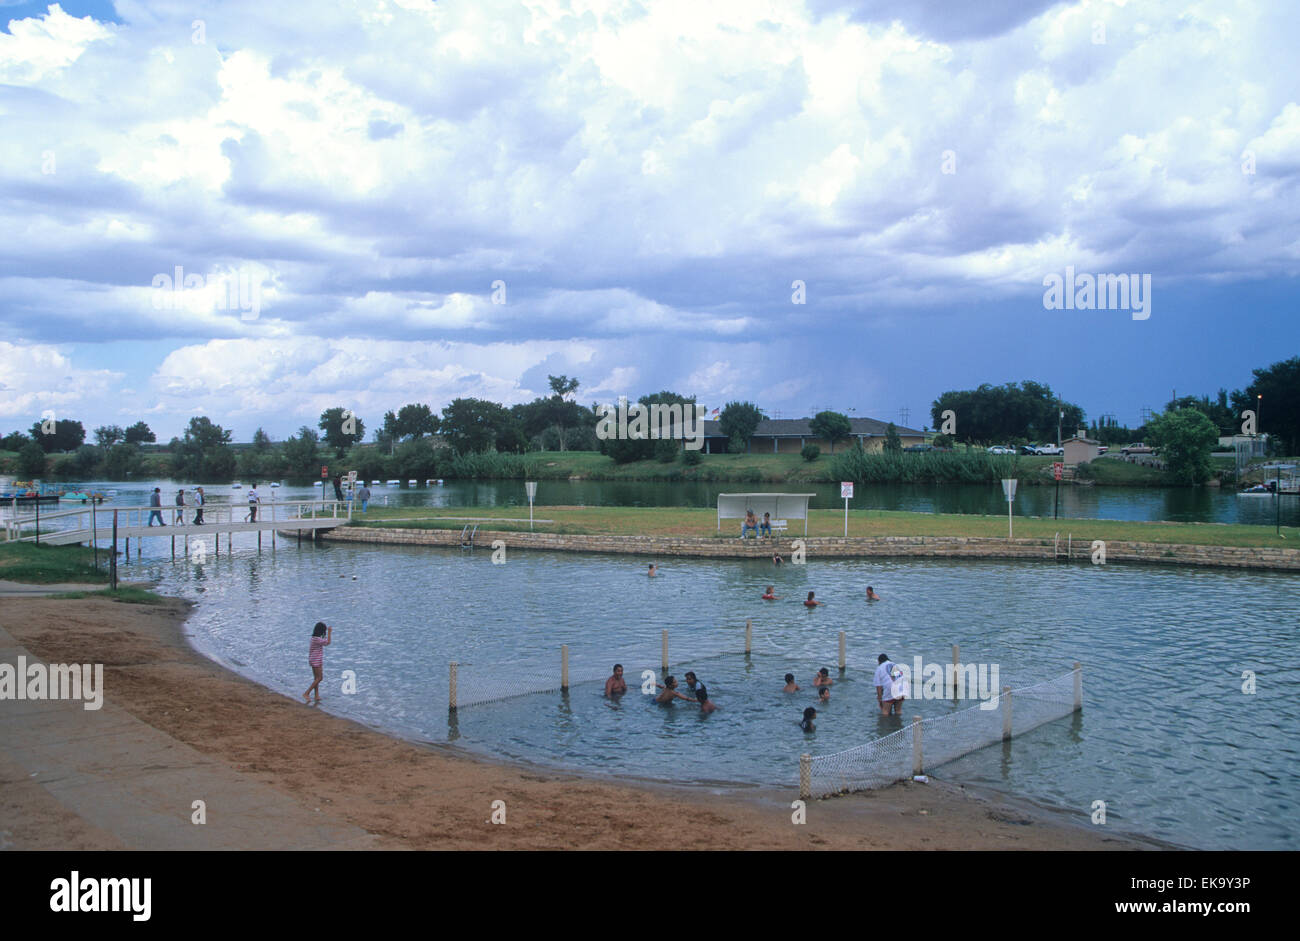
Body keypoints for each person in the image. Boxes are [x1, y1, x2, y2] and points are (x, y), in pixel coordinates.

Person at [302, 622, 332, 703]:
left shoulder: (314, 638)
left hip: (315, 659)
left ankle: (316, 695)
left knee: (316, 678)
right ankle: (306, 693)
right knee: (320, 678)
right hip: (316, 660)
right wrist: (329, 632)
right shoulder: (317, 639)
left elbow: (324, 641)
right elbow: (327, 642)